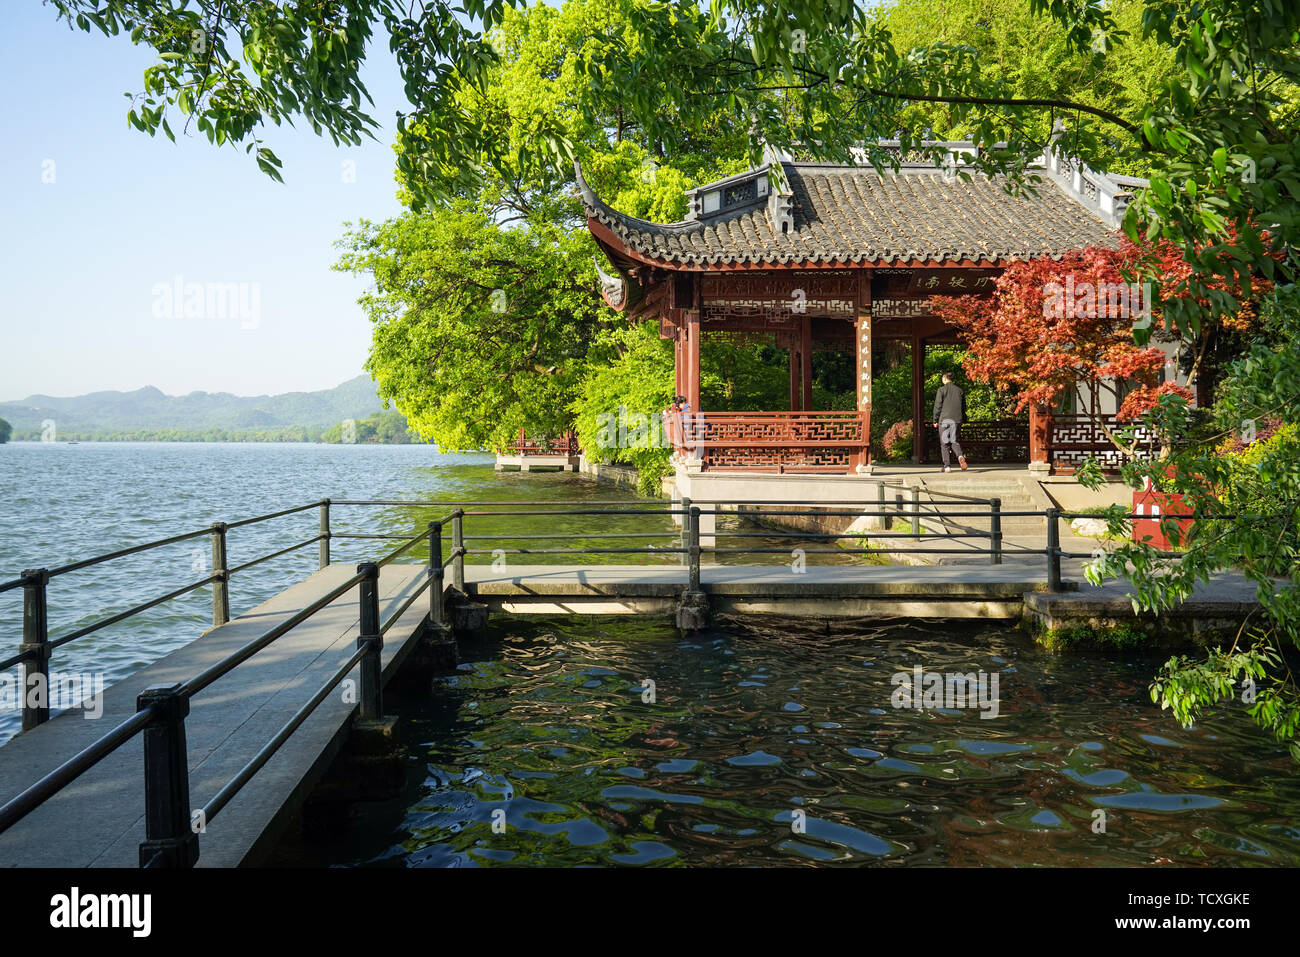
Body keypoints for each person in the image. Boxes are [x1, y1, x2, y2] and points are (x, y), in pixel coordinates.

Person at [932, 372, 968, 472]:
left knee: (944, 443)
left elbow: (938, 406)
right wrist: (963, 419)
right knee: (954, 441)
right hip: (956, 420)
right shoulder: (959, 390)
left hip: (945, 420)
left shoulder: (941, 390)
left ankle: (947, 466)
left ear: (944, 379)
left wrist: (935, 420)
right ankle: (960, 456)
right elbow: (963, 407)